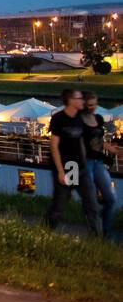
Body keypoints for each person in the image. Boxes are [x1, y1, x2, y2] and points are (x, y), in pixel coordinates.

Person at [47, 88, 101, 235]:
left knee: (91, 203)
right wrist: (60, 171)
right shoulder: (59, 119)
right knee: (60, 204)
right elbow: (54, 145)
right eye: (79, 98)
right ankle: (46, 232)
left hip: (80, 166)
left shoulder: (80, 118)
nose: (82, 101)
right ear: (71, 100)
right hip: (67, 167)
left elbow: (82, 141)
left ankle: (97, 238)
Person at [82, 92, 116, 237]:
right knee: (91, 199)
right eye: (90, 105)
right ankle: (95, 232)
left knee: (110, 198)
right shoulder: (78, 121)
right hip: (85, 162)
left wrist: (113, 150)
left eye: (95, 104)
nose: (93, 108)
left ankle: (105, 229)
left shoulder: (98, 119)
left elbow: (100, 141)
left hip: (98, 161)